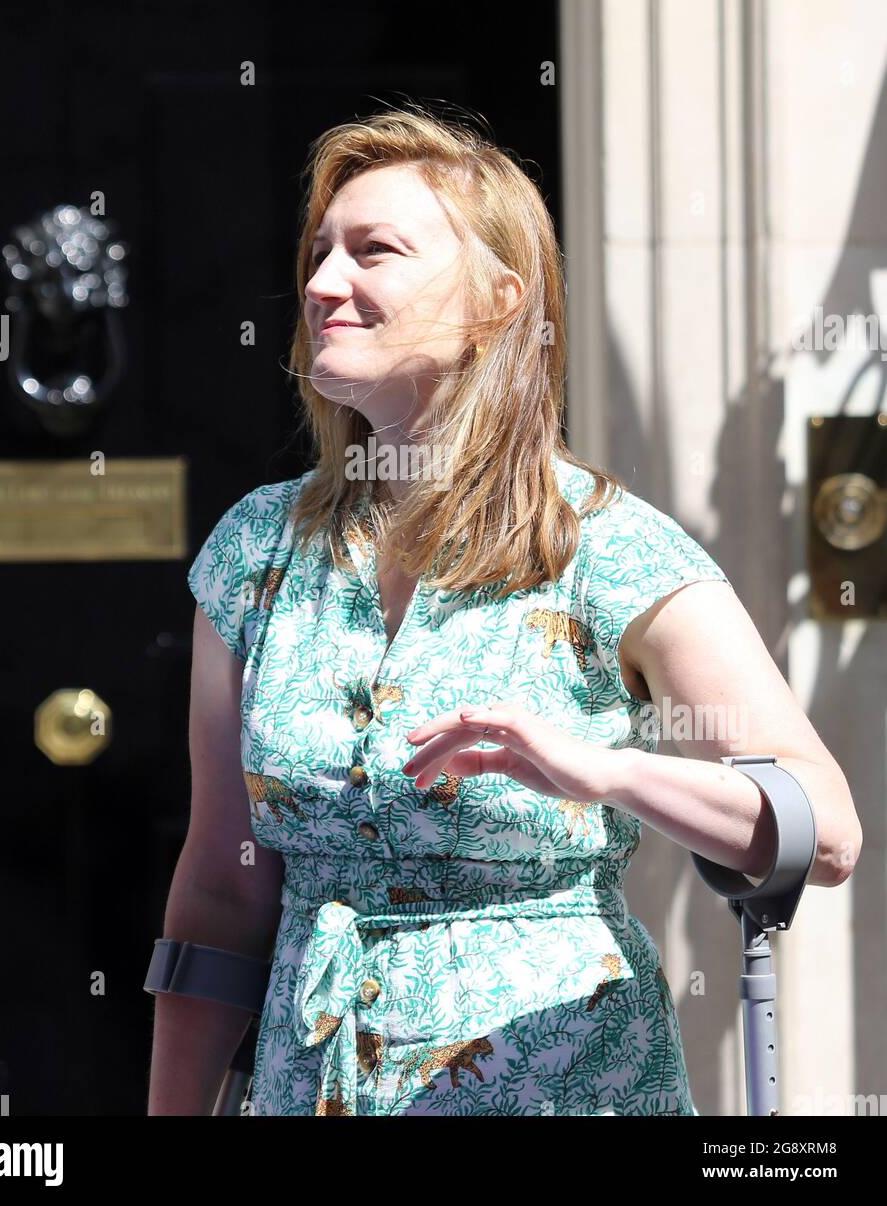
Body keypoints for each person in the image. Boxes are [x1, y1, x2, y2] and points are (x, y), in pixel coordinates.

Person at [147, 103, 862, 1117]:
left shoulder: (606, 548)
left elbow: (826, 829)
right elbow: (222, 885)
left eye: (374, 251)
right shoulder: (256, 554)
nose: (321, 283)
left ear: (496, 298)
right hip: (314, 1085)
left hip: (565, 1084)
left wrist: (602, 770)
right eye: (317, 252)